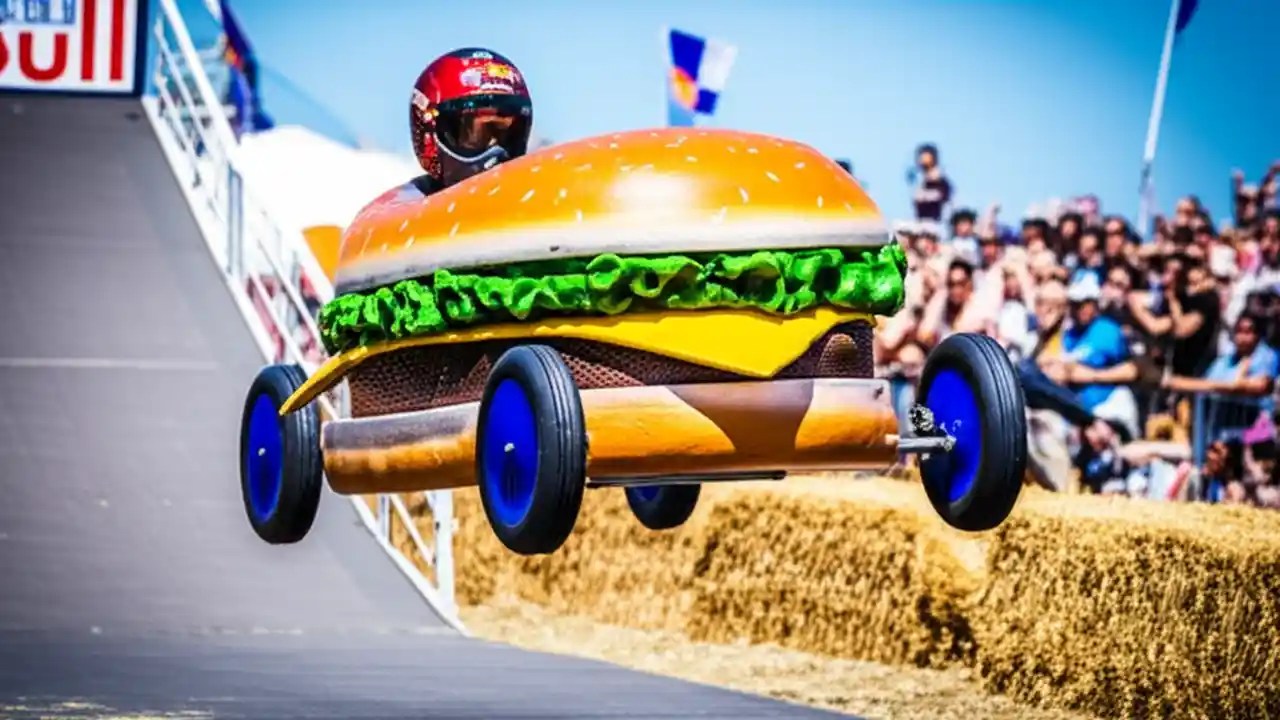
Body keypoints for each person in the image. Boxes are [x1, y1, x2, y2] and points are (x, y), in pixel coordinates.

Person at [408, 47, 533, 193]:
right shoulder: (408, 211)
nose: (498, 153)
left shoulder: (541, 203)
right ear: (429, 137)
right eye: (479, 134)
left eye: (509, 136)